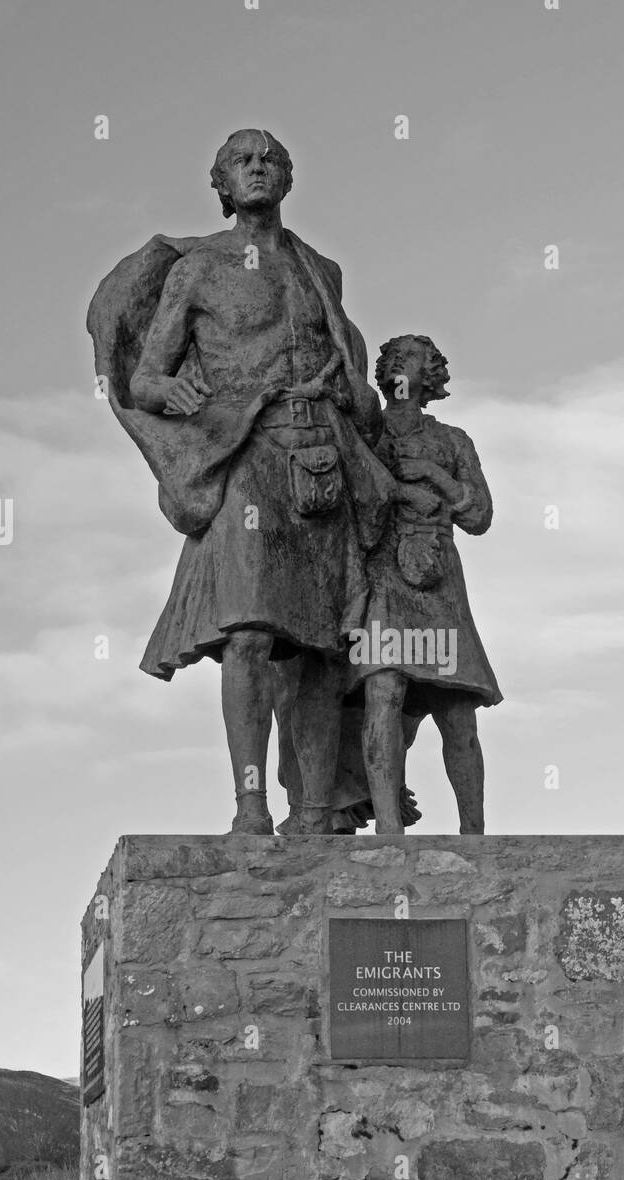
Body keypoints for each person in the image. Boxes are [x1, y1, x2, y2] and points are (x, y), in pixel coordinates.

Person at [88, 129, 433, 833]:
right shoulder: (199, 270)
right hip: (246, 454)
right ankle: (251, 806)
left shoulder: (321, 270)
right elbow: (146, 374)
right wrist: (172, 395)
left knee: (316, 649)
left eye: (268, 158)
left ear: (287, 178)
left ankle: (313, 810)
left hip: (322, 460)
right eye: (241, 160)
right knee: (245, 633)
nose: (256, 167)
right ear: (219, 184)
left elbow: (353, 369)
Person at [347, 334, 503, 833]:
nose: (399, 365)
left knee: (457, 709)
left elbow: (479, 515)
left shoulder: (453, 441)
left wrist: (435, 475)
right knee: (384, 689)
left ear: (430, 374)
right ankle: (388, 830)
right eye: (392, 359)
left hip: (439, 578)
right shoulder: (363, 434)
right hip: (382, 574)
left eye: (411, 359)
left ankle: (473, 834)